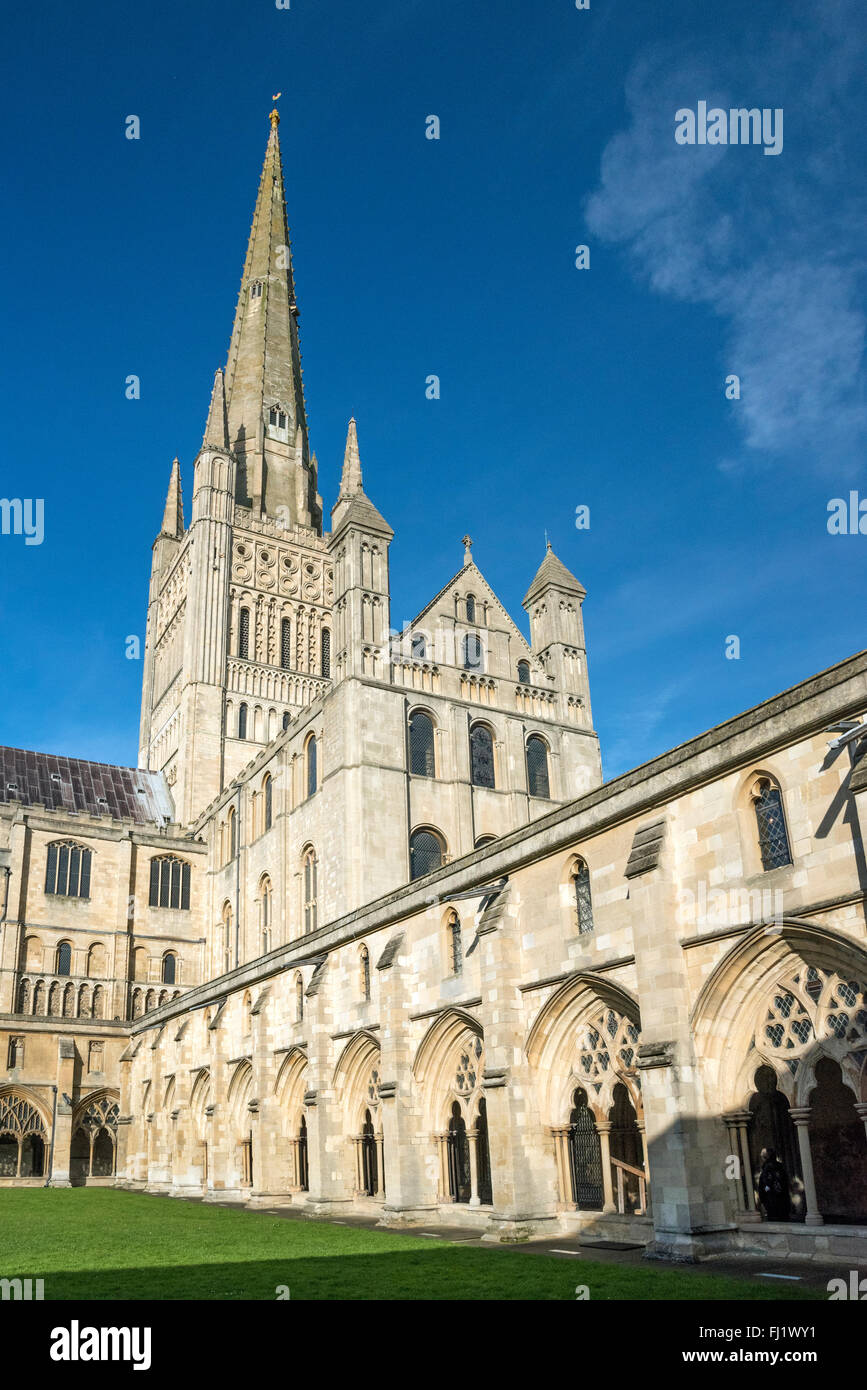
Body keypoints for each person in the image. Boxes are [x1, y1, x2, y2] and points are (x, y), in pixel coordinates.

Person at [757, 1147, 791, 1222]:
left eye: (762, 1156)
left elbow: (765, 1185)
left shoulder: (767, 1168)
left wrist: (764, 1196)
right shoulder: (780, 1167)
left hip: (772, 1202)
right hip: (783, 1202)